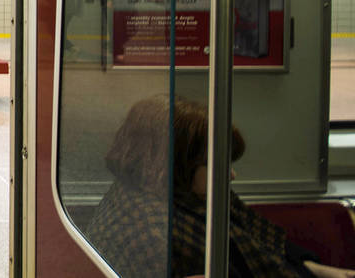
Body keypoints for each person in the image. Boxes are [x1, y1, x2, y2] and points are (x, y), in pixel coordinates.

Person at [85, 95, 355, 278]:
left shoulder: (187, 192)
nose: (232, 176)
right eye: (215, 164)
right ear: (175, 163)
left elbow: (264, 246)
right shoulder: (155, 235)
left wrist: (321, 271)